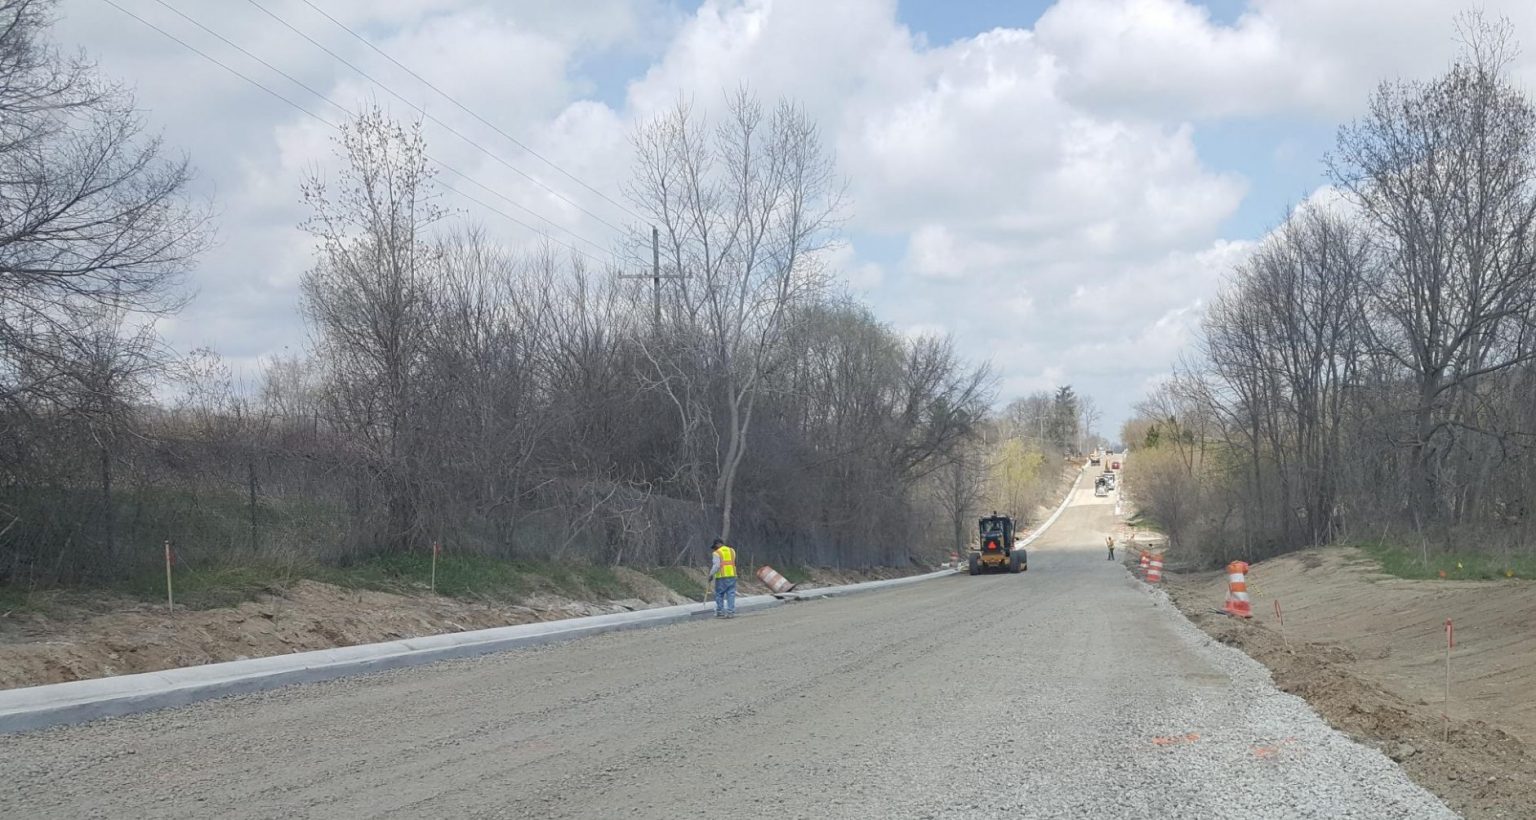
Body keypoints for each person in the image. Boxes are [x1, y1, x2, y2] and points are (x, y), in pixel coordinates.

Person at [707, 538, 738, 618]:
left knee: (719, 594)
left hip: (722, 577)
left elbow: (716, 566)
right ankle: (730, 612)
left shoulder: (717, 553)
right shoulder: (732, 551)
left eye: (715, 546)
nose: (715, 548)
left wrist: (711, 575)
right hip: (732, 575)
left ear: (718, 544)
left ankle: (720, 611)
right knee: (731, 594)